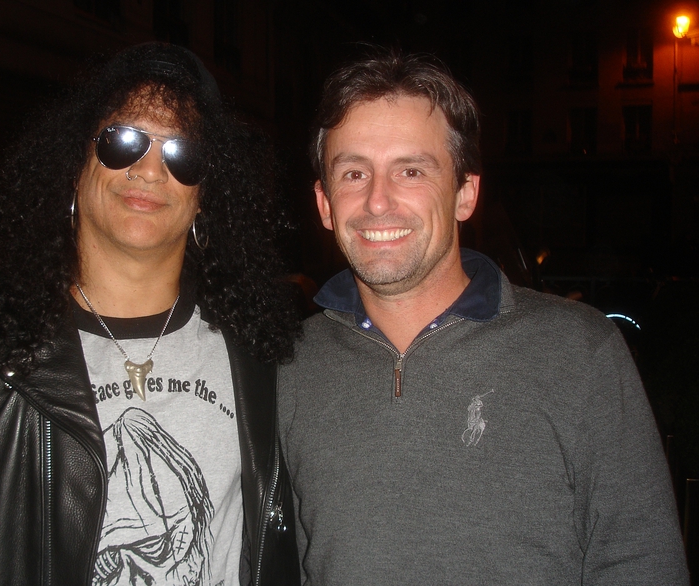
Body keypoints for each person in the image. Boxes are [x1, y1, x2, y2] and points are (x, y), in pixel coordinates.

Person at [0, 42, 301, 586]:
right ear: (76, 165)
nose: (150, 168)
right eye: (123, 141)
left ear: (204, 195)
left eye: (182, 154)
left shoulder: (256, 345)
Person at [278, 47, 689, 584]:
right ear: (325, 204)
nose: (378, 201)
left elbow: (642, 561)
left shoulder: (579, 351)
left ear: (465, 193)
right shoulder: (288, 365)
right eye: (354, 173)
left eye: (410, 170)